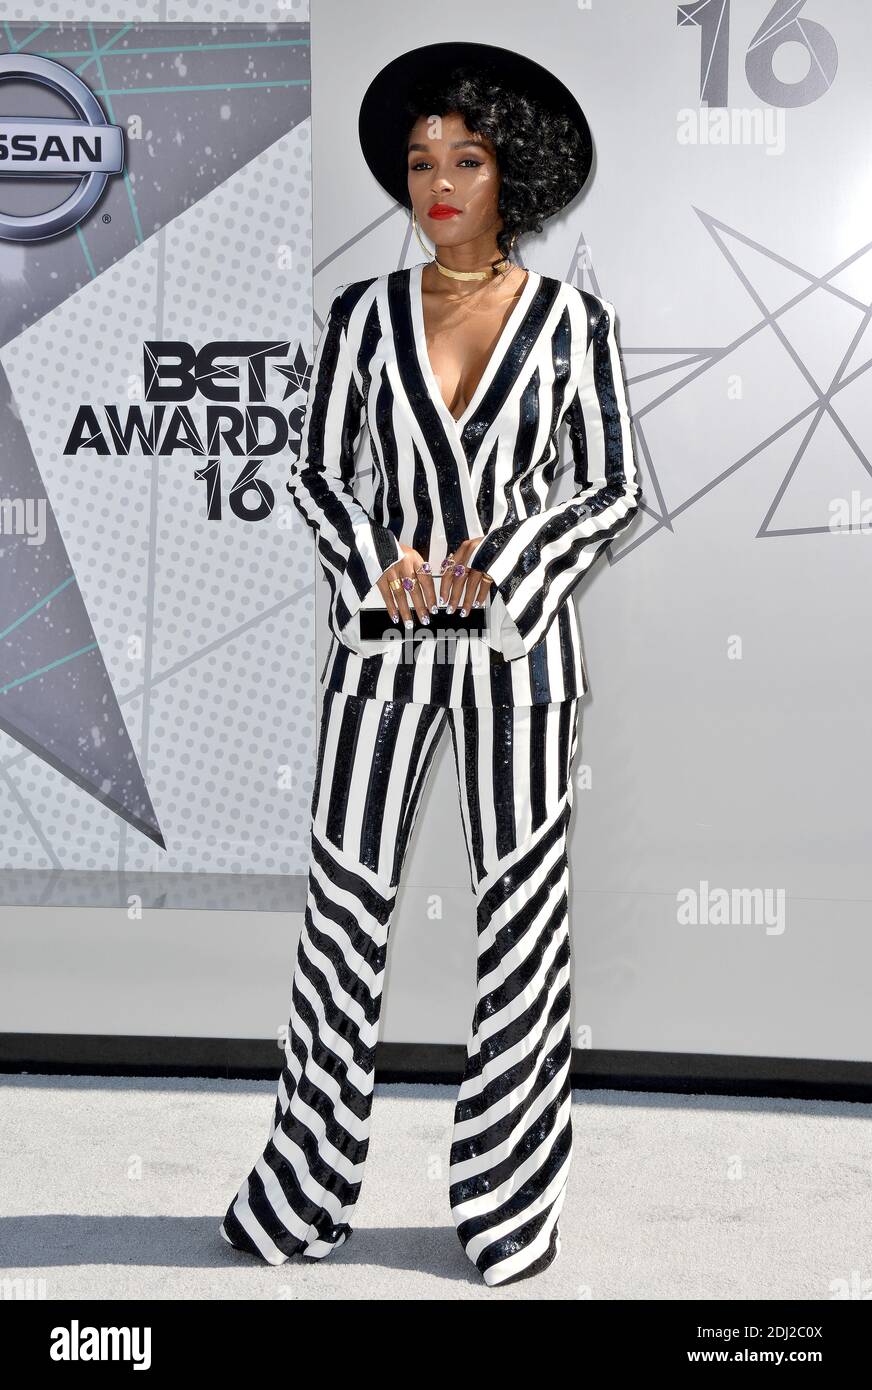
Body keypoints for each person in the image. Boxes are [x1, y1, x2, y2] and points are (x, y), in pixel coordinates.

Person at [219, 40, 641, 1288]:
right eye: (418, 161)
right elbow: (309, 471)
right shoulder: (357, 317)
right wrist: (379, 560)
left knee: (524, 926)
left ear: (514, 169)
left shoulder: (576, 323)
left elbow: (613, 486)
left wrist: (506, 557)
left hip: (519, 659)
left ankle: (508, 1211)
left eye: (465, 158)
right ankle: (299, 1194)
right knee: (342, 913)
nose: (439, 182)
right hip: (379, 655)